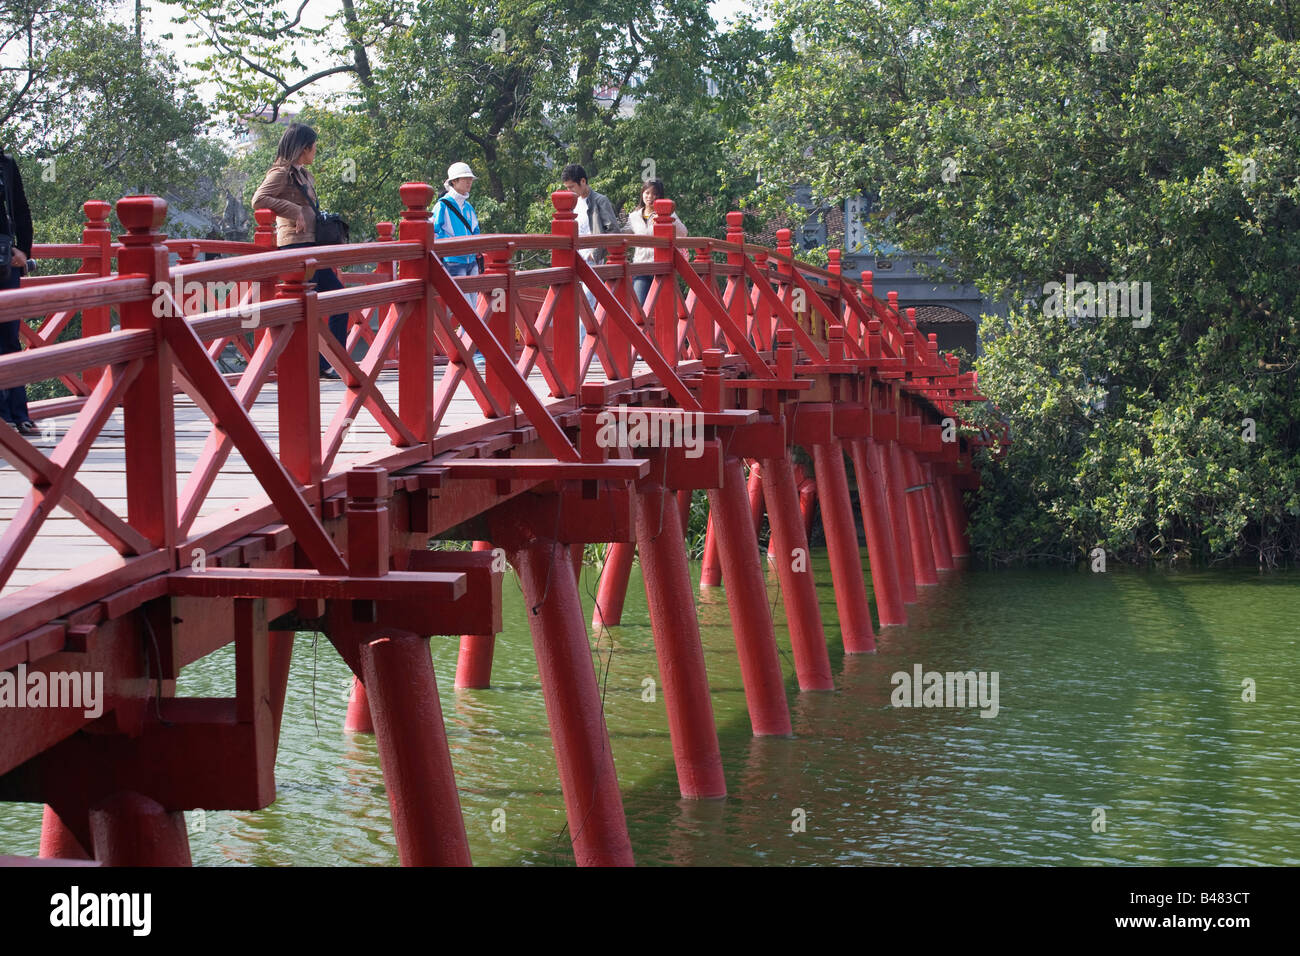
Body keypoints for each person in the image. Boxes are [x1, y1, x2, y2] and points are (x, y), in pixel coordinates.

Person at [251, 123, 349, 378]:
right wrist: (295, 211)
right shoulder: (281, 172)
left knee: (338, 299)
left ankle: (325, 362)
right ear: (304, 148)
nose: (316, 150)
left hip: (311, 244)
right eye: (314, 146)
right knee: (308, 308)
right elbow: (258, 199)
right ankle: (305, 365)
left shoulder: (304, 174)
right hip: (295, 245)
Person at [0, 146, 36, 435]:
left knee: (10, 337)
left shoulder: (6, 163)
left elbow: (21, 210)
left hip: (6, 261)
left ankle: (18, 412)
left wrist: (23, 250)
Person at [627, 178, 686, 306]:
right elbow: (625, 234)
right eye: (647, 193)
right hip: (640, 267)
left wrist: (668, 216)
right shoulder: (634, 216)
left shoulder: (668, 213)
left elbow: (683, 232)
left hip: (660, 268)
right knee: (639, 308)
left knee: (662, 308)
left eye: (655, 194)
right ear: (642, 193)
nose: (650, 197)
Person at [560, 164, 620, 267]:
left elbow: (613, 230)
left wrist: (596, 254)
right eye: (567, 188)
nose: (569, 191)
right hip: (573, 258)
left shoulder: (600, 201)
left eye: (572, 187)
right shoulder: (571, 203)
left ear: (583, 181)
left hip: (591, 260)